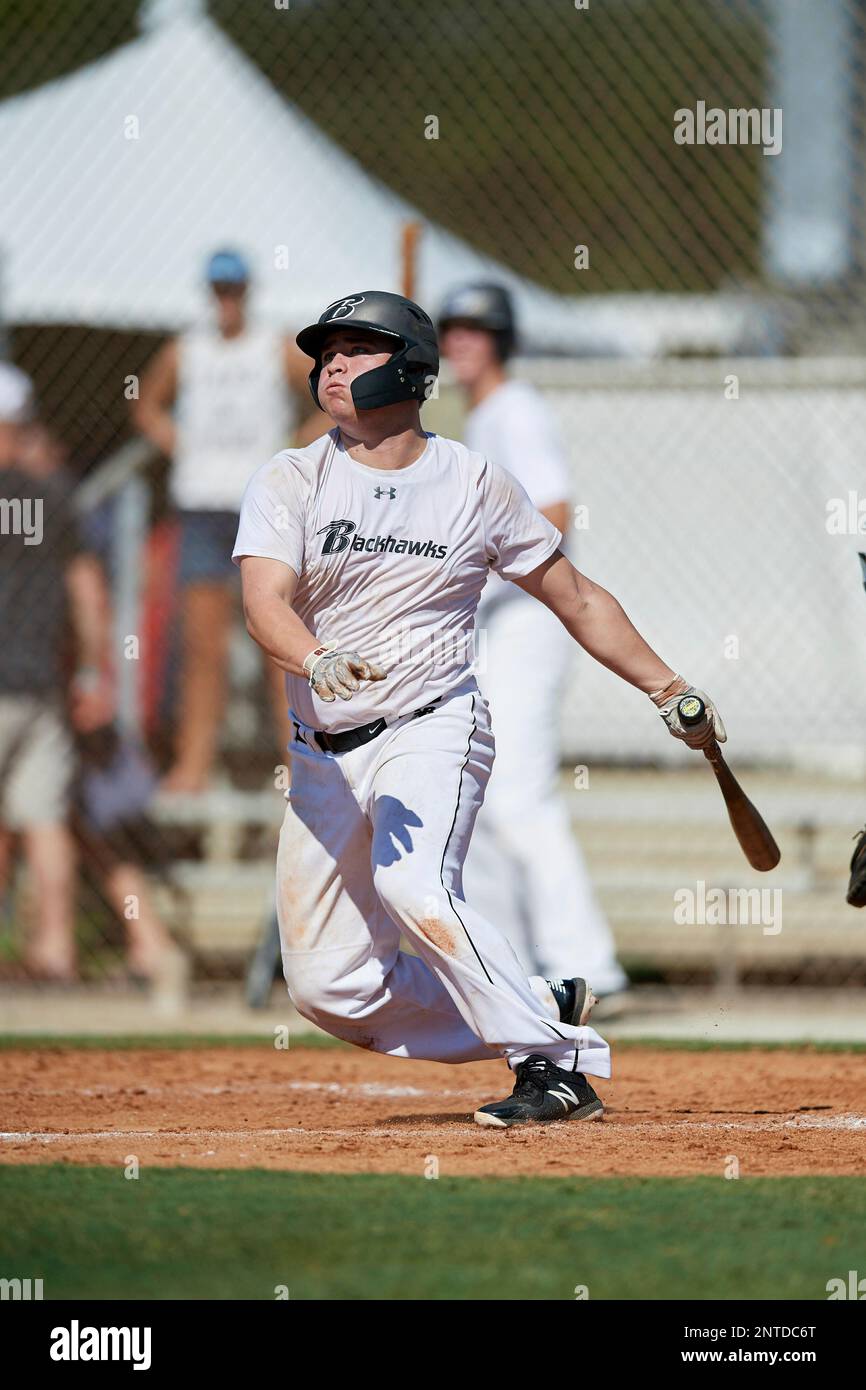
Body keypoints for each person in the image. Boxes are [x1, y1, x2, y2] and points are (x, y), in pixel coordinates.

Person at [232, 291, 725, 1128]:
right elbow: (263, 605)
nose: (335, 363)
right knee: (329, 988)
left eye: (359, 348)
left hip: (432, 723)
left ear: (411, 371)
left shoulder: (473, 482)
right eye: (329, 350)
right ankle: (539, 1000)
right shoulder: (291, 477)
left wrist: (670, 688)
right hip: (321, 750)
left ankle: (555, 1065)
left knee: (412, 882)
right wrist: (315, 657)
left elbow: (574, 596)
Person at [439, 283, 629, 1009]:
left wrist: (486, 573)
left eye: (475, 331)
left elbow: (553, 510)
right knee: (486, 795)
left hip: (527, 625)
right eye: (451, 329)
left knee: (520, 797)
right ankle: (521, 962)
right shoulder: (484, 414)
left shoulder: (515, 408)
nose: (461, 341)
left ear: (501, 340)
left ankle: (588, 965)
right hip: (499, 628)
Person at [133, 249, 317, 792]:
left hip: (262, 507)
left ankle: (298, 760)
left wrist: (292, 448)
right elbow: (146, 405)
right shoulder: (187, 348)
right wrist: (180, 445)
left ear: (248, 291)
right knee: (201, 647)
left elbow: (327, 395)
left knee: (279, 641)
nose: (226, 299)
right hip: (202, 506)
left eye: (233, 289)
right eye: (218, 289)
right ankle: (194, 765)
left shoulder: (273, 344)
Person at [0, 365, 110, 979]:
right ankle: (56, 947)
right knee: (43, 820)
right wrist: (93, 675)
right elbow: (88, 590)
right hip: (43, 684)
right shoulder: (53, 497)